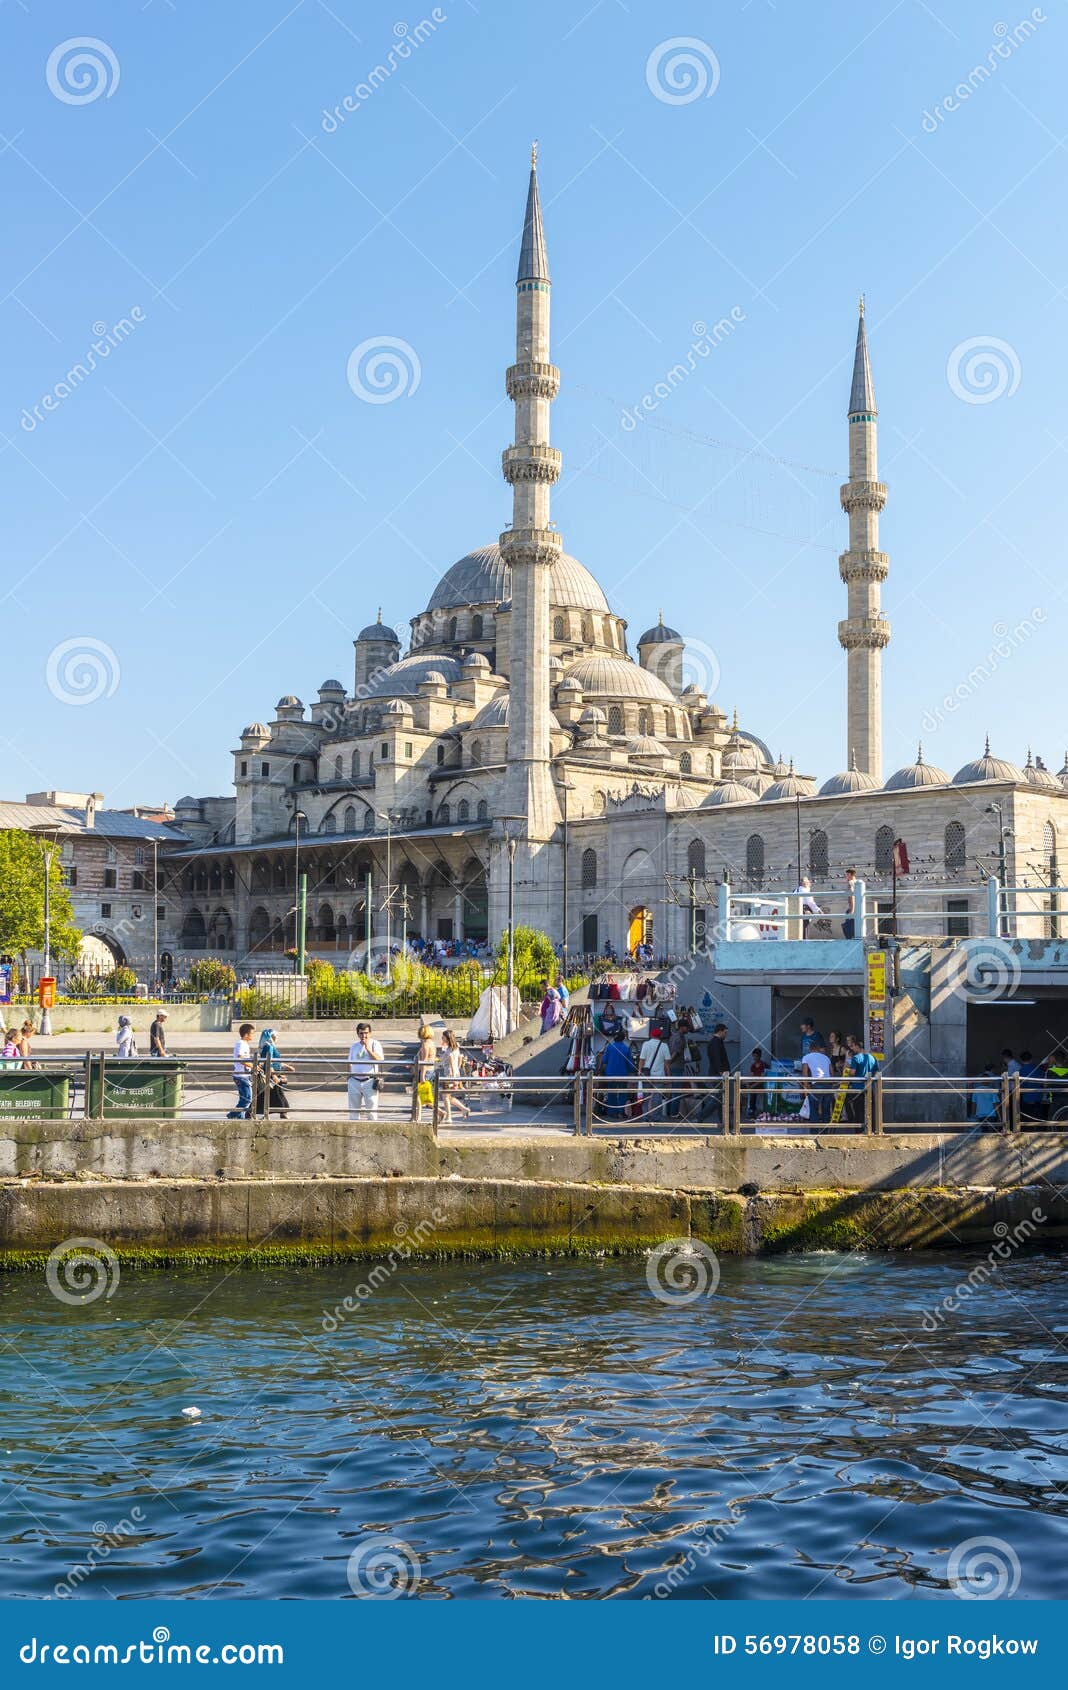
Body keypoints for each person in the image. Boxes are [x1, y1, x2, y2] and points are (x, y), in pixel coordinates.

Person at [598, 1024, 635, 1121]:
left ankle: (612, 1112)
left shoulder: (610, 1047)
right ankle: (621, 1111)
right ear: (623, 1039)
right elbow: (630, 1064)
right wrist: (632, 1071)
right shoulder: (626, 1049)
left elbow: (605, 1060)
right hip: (623, 1074)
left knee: (612, 1092)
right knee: (623, 1093)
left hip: (610, 1074)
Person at [348, 1021, 384, 1120]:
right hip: (354, 1081)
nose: (364, 1035)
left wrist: (368, 1049)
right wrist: (349, 1078)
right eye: (361, 1033)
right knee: (353, 1111)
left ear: (370, 1033)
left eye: (366, 1033)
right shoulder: (354, 1046)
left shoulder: (375, 1044)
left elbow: (380, 1060)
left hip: (370, 1081)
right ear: (357, 1034)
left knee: (372, 1111)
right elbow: (349, 1062)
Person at [256, 1028, 293, 1119]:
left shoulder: (270, 1046)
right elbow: (269, 1062)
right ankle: (282, 1112)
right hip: (271, 1074)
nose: (277, 1037)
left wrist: (286, 1067)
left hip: (275, 1073)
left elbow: (276, 1061)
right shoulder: (268, 1046)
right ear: (271, 1036)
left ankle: (282, 1112)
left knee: (273, 1094)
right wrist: (274, 1075)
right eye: (275, 1036)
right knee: (276, 1093)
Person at [844, 1033, 878, 1126]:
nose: (852, 1049)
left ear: (856, 1046)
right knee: (871, 1110)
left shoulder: (855, 1058)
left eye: (853, 1047)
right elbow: (876, 1071)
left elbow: (852, 1072)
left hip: (858, 1088)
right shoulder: (872, 1057)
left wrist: (847, 1069)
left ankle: (859, 1130)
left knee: (859, 1111)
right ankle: (873, 1129)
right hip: (870, 1088)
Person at [438, 1028, 471, 1122]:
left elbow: (451, 1061)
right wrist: (457, 1072)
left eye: (443, 1037)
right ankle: (464, 1109)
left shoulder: (450, 1050)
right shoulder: (456, 1048)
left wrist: (453, 1076)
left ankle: (449, 1117)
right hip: (455, 1074)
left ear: (447, 1038)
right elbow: (460, 1058)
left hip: (449, 1075)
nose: (442, 1038)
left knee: (445, 1097)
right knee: (448, 1097)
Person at [701, 1022, 731, 1122]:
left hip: (718, 1073)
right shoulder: (716, 1042)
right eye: (725, 1032)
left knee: (721, 1098)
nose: (726, 1035)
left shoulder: (716, 1042)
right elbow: (717, 1059)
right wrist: (721, 1072)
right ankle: (700, 1116)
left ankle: (724, 1121)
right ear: (720, 1031)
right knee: (719, 1099)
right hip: (718, 1074)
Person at [638, 1026, 669, 1120]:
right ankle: (656, 1116)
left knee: (646, 1096)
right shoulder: (664, 1046)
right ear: (660, 1036)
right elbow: (667, 1063)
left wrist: (639, 1071)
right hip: (659, 1075)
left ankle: (645, 1116)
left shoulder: (646, 1044)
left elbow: (642, 1060)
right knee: (657, 1097)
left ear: (651, 1035)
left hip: (647, 1074)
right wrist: (669, 1076)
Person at [801, 1036, 832, 1124]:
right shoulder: (826, 1058)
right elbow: (832, 1073)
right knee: (826, 1110)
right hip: (828, 1085)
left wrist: (806, 1088)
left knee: (814, 1109)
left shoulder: (806, 1057)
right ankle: (825, 1133)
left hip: (816, 1085)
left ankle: (814, 1132)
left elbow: (805, 1074)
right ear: (818, 1049)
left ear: (810, 1049)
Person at [228, 1022, 254, 1119]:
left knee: (244, 1099)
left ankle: (239, 1117)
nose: (253, 1036)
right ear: (246, 1034)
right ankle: (233, 1115)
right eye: (252, 1034)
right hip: (241, 1076)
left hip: (244, 1075)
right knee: (247, 1099)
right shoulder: (240, 1043)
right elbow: (240, 1058)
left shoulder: (245, 1044)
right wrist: (253, 1066)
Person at [412, 1024, 437, 1122]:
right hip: (430, 1070)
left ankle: (418, 1117)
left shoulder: (425, 1044)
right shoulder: (432, 1043)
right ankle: (439, 1112)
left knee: (418, 1095)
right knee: (425, 1097)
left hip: (425, 1072)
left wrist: (422, 1075)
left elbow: (424, 1060)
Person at [1019, 1049, 1046, 1123]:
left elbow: (1021, 1085)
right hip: (1038, 1099)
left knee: (1028, 1121)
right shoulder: (1038, 1069)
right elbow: (1043, 1083)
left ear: (1021, 1060)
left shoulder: (1021, 1071)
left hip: (1027, 1100)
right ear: (1031, 1059)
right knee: (1039, 1120)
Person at [747, 1046, 767, 1120]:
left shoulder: (762, 1065)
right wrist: (748, 1083)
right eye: (754, 1056)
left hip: (761, 1084)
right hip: (754, 1083)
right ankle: (750, 1109)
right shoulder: (753, 1065)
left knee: (753, 1090)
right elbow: (751, 1076)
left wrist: (752, 1085)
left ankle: (752, 1110)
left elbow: (762, 1078)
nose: (755, 1058)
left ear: (759, 1056)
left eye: (756, 1056)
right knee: (747, 1087)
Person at [842, 868, 858, 940]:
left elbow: (852, 896)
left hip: (853, 908)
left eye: (847, 875)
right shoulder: (857, 882)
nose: (846, 877)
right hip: (858, 908)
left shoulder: (850, 882)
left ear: (850, 875)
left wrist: (852, 910)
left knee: (848, 928)